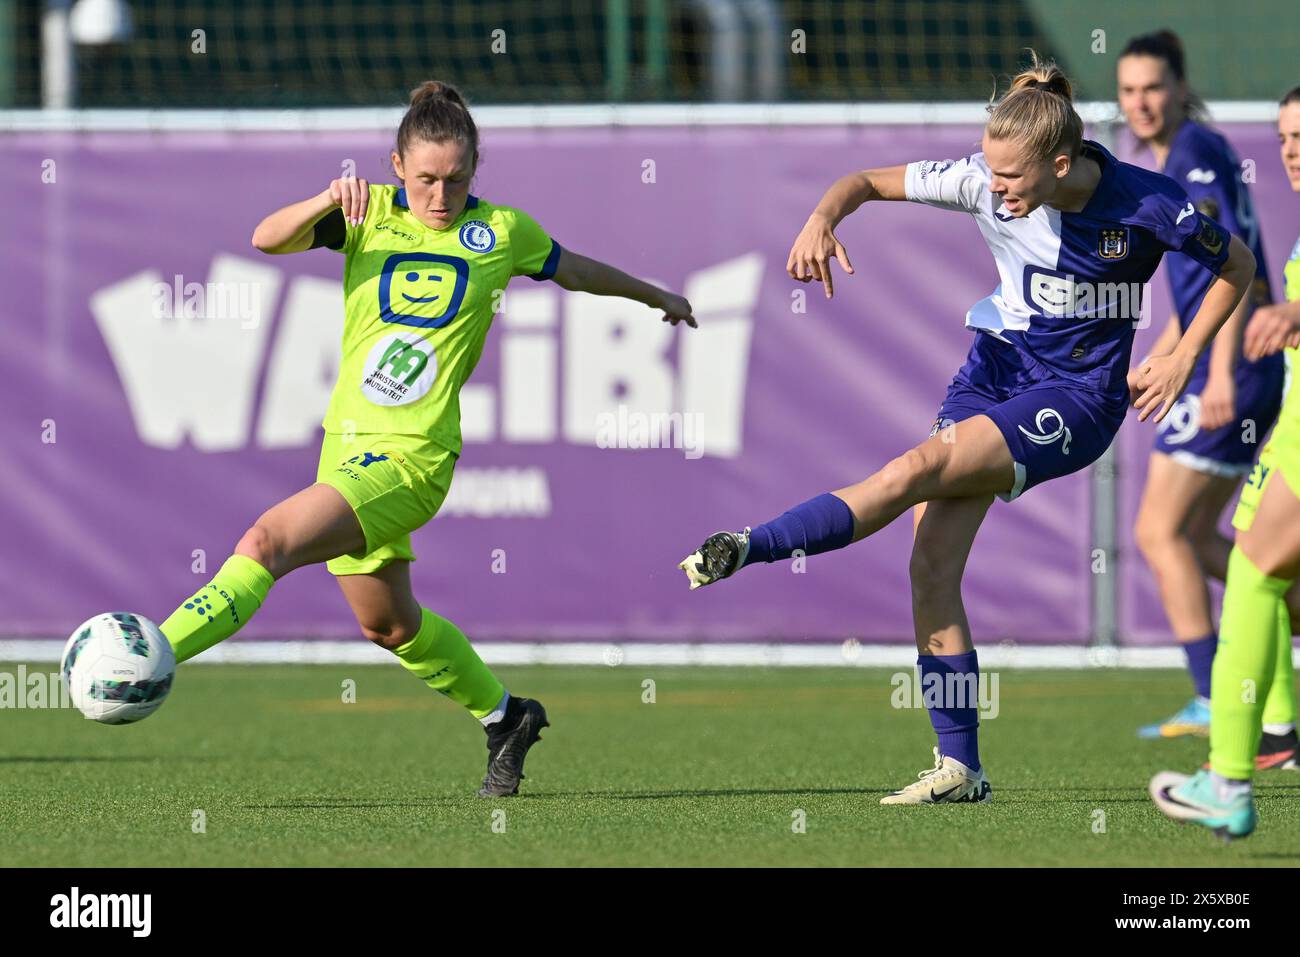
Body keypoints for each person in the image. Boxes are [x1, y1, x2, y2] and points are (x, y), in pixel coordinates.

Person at [678, 53, 1257, 805]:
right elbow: (860, 184)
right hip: (991, 372)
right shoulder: (981, 178)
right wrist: (821, 218)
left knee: (910, 470)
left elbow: (1235, 264)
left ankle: (751, 544)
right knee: (929, 566)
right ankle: (961, 768)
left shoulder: (1146, 201)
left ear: (1059, 163)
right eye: (988, 170)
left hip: (1076, 400)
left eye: (1010, 177)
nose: (994, 187)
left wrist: (1182, 353)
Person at [156, 80, 696, 798]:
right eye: (425, 180)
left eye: (456, 179)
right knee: (389, 625)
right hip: (344, 452)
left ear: (475, 171)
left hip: (414, 459)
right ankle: (506, 716)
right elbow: (265, 238)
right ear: (395, 167)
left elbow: (577, 271)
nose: (439, 196)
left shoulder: (502, 232)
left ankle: (151, 650)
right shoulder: (367, 213)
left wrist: (655, 293)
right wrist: (327, 200)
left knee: (264, 544)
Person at [1117, 31, 1295, 755]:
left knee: (1160, 533)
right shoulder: (1188, 152)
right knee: (1208, 542)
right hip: (1233, 356)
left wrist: (1215, 371)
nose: (1141, 103)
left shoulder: (1192, 154)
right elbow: (1197, 292)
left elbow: (1236, 275)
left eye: (1153, 88)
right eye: (1128, 91)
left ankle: (1212, 693)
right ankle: (1255, 701)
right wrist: (1160, 355)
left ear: (1180, 86)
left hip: (1239, 363)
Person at [1151, 87, 1300, 840]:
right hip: (1293, 436)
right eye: (1285, 138)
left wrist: (1293, 315)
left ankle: (1234, 775)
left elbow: (1229, 262)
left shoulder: (1195, 161)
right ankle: (1254, 752)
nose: (1293, 150)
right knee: (1253, 569)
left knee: (1245, 567)